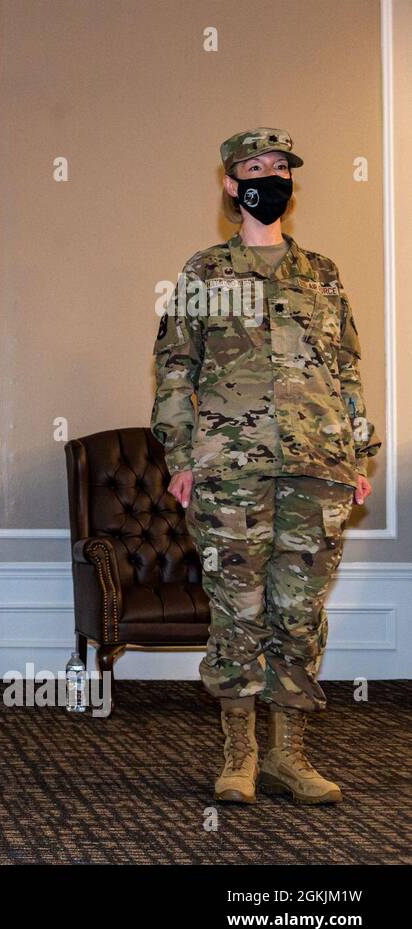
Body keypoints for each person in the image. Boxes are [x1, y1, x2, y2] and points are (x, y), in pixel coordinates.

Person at [152, 128, 378, 805]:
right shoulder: (204, 272)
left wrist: (360, 451)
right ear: (231, 182)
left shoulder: (323, 274)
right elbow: (173, 369)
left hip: (320, 466)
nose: (270, 176)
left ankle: (289, 755)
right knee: (237, 610)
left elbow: (346, 370)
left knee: (299, 612)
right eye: (257, 167)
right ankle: (239, 757)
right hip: (230, 470)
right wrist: (180, 454)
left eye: (280, 167)